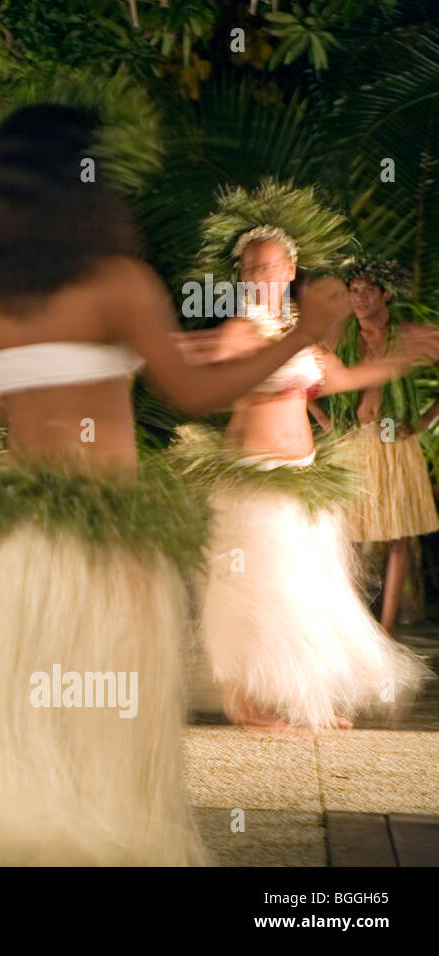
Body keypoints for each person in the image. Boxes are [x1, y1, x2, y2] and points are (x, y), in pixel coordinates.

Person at [0, 106, 349, 865]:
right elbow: (191, 392)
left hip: (16, 544)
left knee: (26, 705)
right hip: (107, 539)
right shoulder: (118, 281)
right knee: (107, 719)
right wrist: (308, 332)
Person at [187, 183, 433, 731]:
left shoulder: (300, 335)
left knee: (303, 591)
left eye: (271, 267)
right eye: (251, 269)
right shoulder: (239, 330)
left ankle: (299, 698)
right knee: (256, 591)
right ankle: (244, 701)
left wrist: (399, 360)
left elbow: (340, 379)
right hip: (255, 479)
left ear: (291, 267)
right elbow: (221, 380)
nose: (260, 278)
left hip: (301, 478)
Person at [321, 256, 439, 633]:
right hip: (355, 440)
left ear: (386, 294)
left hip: (394, 439)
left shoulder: (405, 334)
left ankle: (386, 630)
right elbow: (297, 370)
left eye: (368, 290)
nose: (359, 298)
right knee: (348, 538)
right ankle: (351, 630)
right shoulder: (339, 334)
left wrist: (424, 419)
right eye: (353, 291)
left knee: (397, 539)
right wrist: (325, 420)